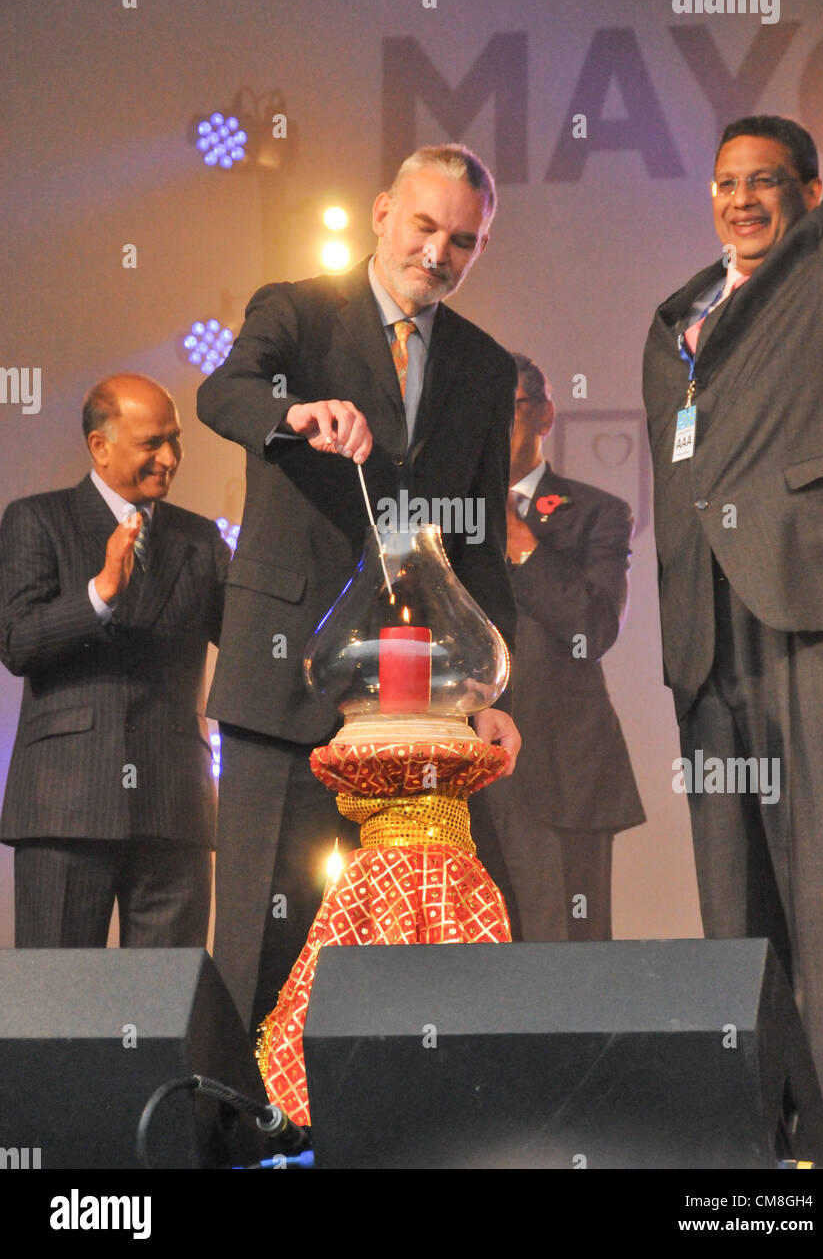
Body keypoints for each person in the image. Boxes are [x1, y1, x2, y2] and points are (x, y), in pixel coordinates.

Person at [197, 144, 520, 1033]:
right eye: (423, 226)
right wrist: (290, 415)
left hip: (415, 705)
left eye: (462, 240)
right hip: (283, 677)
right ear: (381, 212)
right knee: (262, 937)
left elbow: (478, 546)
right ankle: (239, 1135)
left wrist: (490, 693)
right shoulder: (298, 313)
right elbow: (221, 392)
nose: (437, 253)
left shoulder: (486, 368)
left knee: (410, 944)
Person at [642, 0, 823, 1145]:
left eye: (764, 178)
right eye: (723, 180)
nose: (737, 196)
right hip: (708, 651)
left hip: (816, 620)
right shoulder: (673, 318)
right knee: (740, 928)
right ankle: (766, 1148)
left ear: (808, 192)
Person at [0, 374, 229, 948]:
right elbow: (18, 643)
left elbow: (248, 647)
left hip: (174, 804)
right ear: (99, 446)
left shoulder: (201, 540)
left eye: (175, 441)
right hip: (65, 807)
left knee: (166, 1010)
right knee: (55, 1012)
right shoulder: (36, 520)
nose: (170, 457)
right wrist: (100, 592)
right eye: (152, 442)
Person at [471, 355, 644, 941]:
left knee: (568, 970)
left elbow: (592, 629)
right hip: (462, 775)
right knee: (473, 969)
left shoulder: (594, 513)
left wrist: (520, 541)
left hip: (562, 774)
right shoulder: (447, 518)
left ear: (544, 414)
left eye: (511, 411)